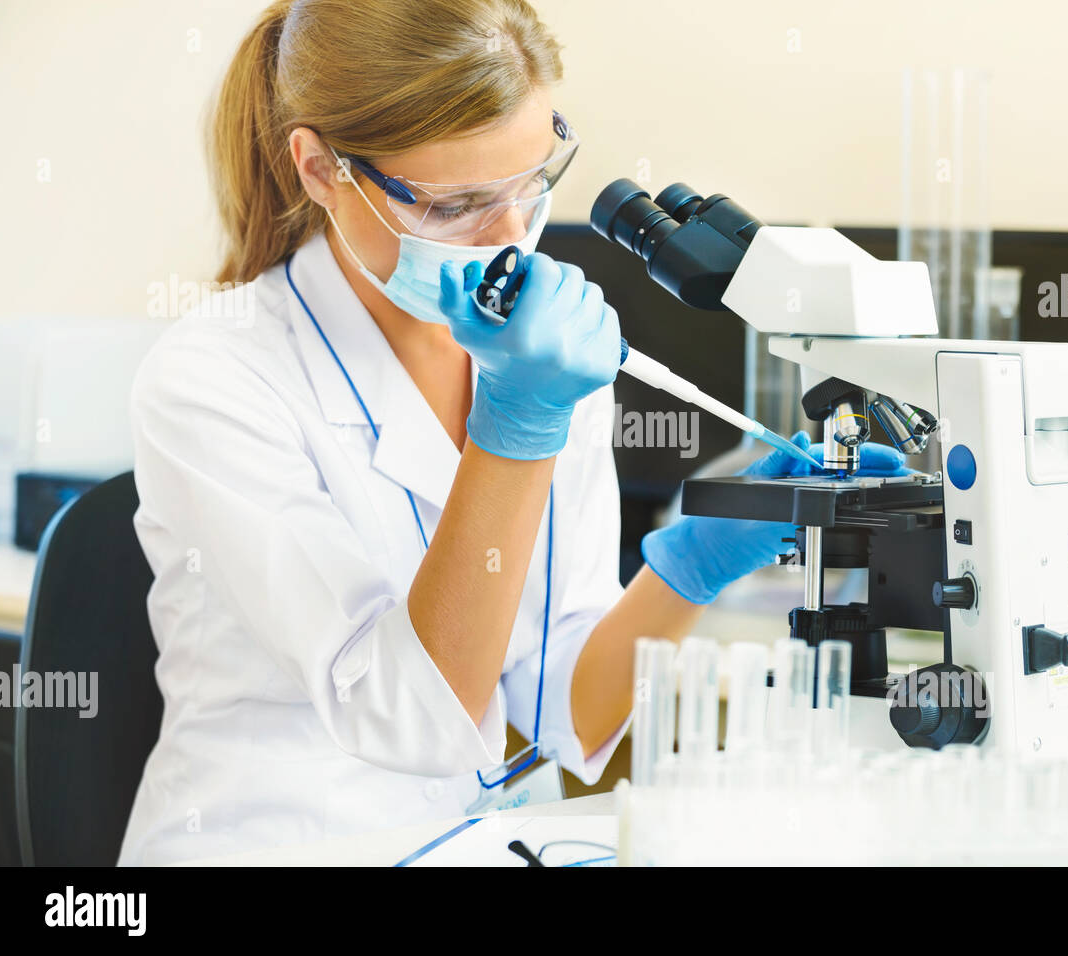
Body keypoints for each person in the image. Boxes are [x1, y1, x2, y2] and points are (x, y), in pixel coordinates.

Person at [118, 0, 907, 864]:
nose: (510, 241)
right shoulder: (212, 379)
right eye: (457, 205)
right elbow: (412, 716)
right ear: (319, 169)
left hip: (480, 843)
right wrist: (519, 426)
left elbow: (567, 706)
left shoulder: (542, 346)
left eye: (532, 184)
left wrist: (692, 563)